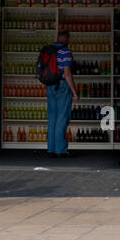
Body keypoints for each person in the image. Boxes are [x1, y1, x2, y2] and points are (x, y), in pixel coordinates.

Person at [44, 30, 78, 158]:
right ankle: (60, 150)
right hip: (62, 86)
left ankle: (51, 149)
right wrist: (75, 93)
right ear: (67, 38)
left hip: (50, 86)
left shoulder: (49, 50)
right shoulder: (65, 51)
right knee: (62, 118)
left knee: (52, 118)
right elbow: (67, 74)